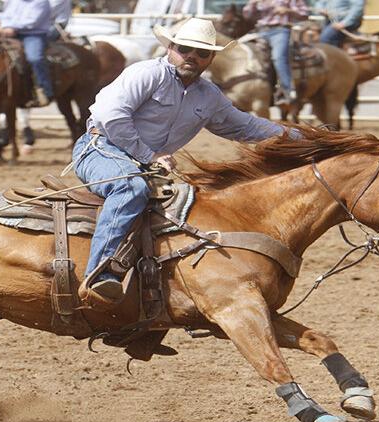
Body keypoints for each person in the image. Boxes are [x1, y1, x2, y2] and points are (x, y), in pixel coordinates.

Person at [76, 18, 299, 308]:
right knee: (129, 189)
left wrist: (301, 136)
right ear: (170, 47)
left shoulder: (209, 96)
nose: (192, 56)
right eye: (185, 49)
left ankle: (150, 299)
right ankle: (100, 272)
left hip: (147, 164)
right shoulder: (146, 74)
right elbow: (110, 117)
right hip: (101, 148)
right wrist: (150, 155)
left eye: (202, 52)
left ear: (211, 58)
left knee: (185, 209)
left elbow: (246, 126)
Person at [0, 0, 54, 107]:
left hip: (33, 34)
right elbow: (8, 15)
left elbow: (31, 21)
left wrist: (10, 28)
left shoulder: (41, 1)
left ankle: (44, 89)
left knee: (34, 58)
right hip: (10, 32)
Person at [243, 0, 310, 105]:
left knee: (278, 58)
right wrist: (253, 4)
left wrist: (288, 10)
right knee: (245, 53)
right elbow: (247, 15)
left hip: (280, 30)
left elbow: (305, 14)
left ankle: (287, 91)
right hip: (260, 31)